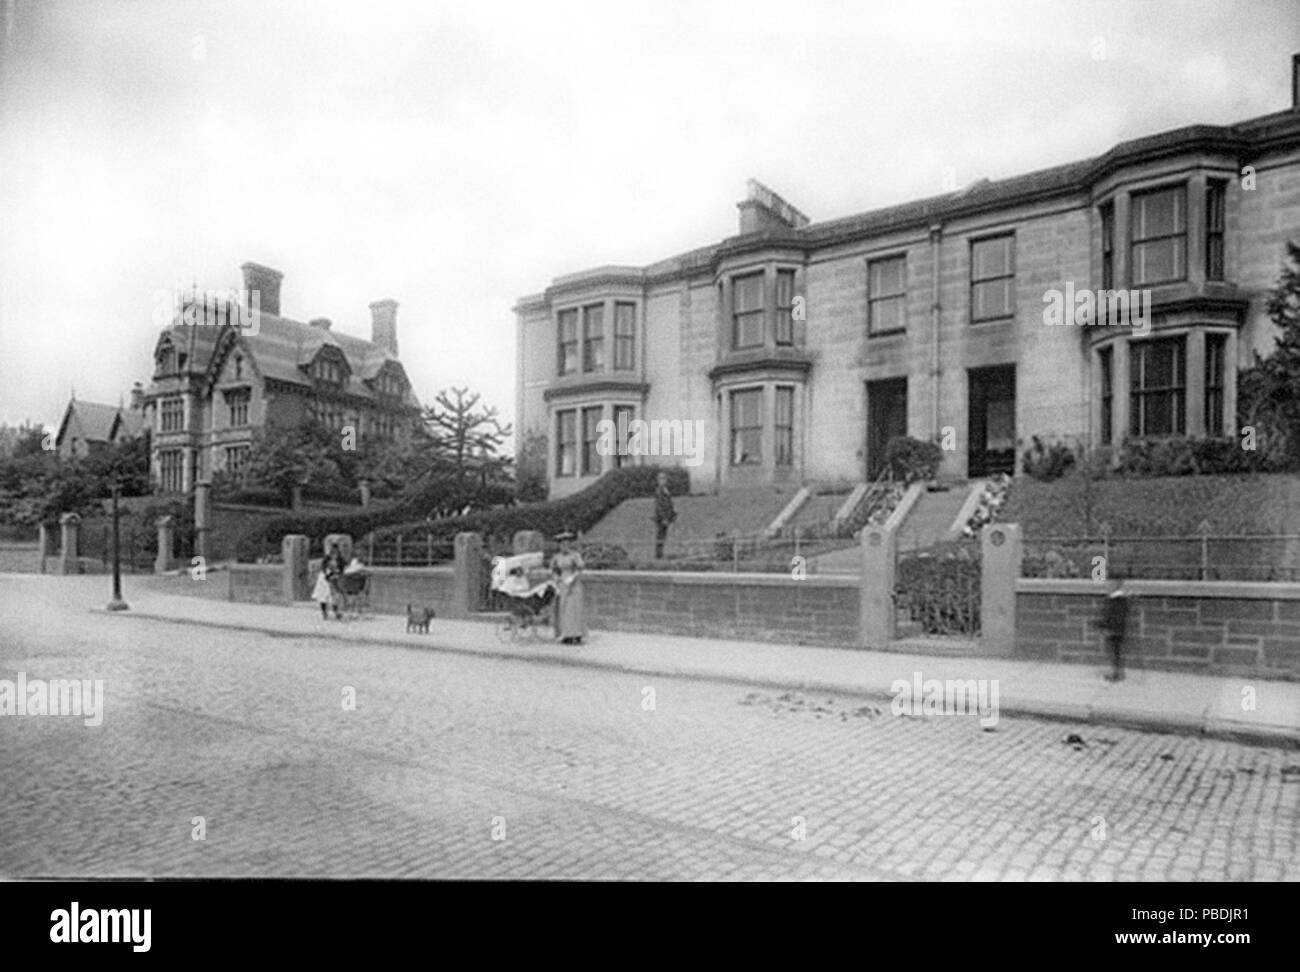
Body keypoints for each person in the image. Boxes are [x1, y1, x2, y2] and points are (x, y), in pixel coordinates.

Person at [550, 530, 586, 644]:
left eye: (566, 544)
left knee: (574, 608)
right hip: (563, 583)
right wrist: (557, 579)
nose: (564, 546)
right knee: (564, 609)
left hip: (574, 584)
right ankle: (566, 635)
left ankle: (577, 634)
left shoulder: (575, 555)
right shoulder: (557, 557)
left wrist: (573, 577)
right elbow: (554, 570)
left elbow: (580, 568)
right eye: (562, 544)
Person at [1099, 572, 1131, 682]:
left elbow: (1118, 615)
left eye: (1110, 583)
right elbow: (1107, 614)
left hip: (1115, 630)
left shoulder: (1119, 599)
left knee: (1115, 652)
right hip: (1111, 629)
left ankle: (1117, 673)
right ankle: (1115, 672)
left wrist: (1110, 628)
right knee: (1113, 651)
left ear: (1117, 584)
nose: (1108, 586)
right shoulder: (1112, 598)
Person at [653, 472, 676, 559]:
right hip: (661, 518)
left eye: (664, 479)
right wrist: (664, 518)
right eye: (661, 479)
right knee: (660, 535)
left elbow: (668, 503)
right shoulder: (659, 491)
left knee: (663, 535)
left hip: (666, 516)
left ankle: (660, 553)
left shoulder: (665, 490)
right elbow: (659, 506)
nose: (663, 481)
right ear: (658, 481)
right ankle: (658, 554)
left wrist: (672, 514)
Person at [322, 542, 346, 621]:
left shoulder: (340, 558)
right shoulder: (327, 558)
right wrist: (327, 573)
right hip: (327, 578)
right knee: (324, 596)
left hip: (335, 578)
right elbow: (323, 567)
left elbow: (342, 566)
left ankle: (336, 612)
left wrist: (338, 572)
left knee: (336, 596)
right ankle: (324, 613)